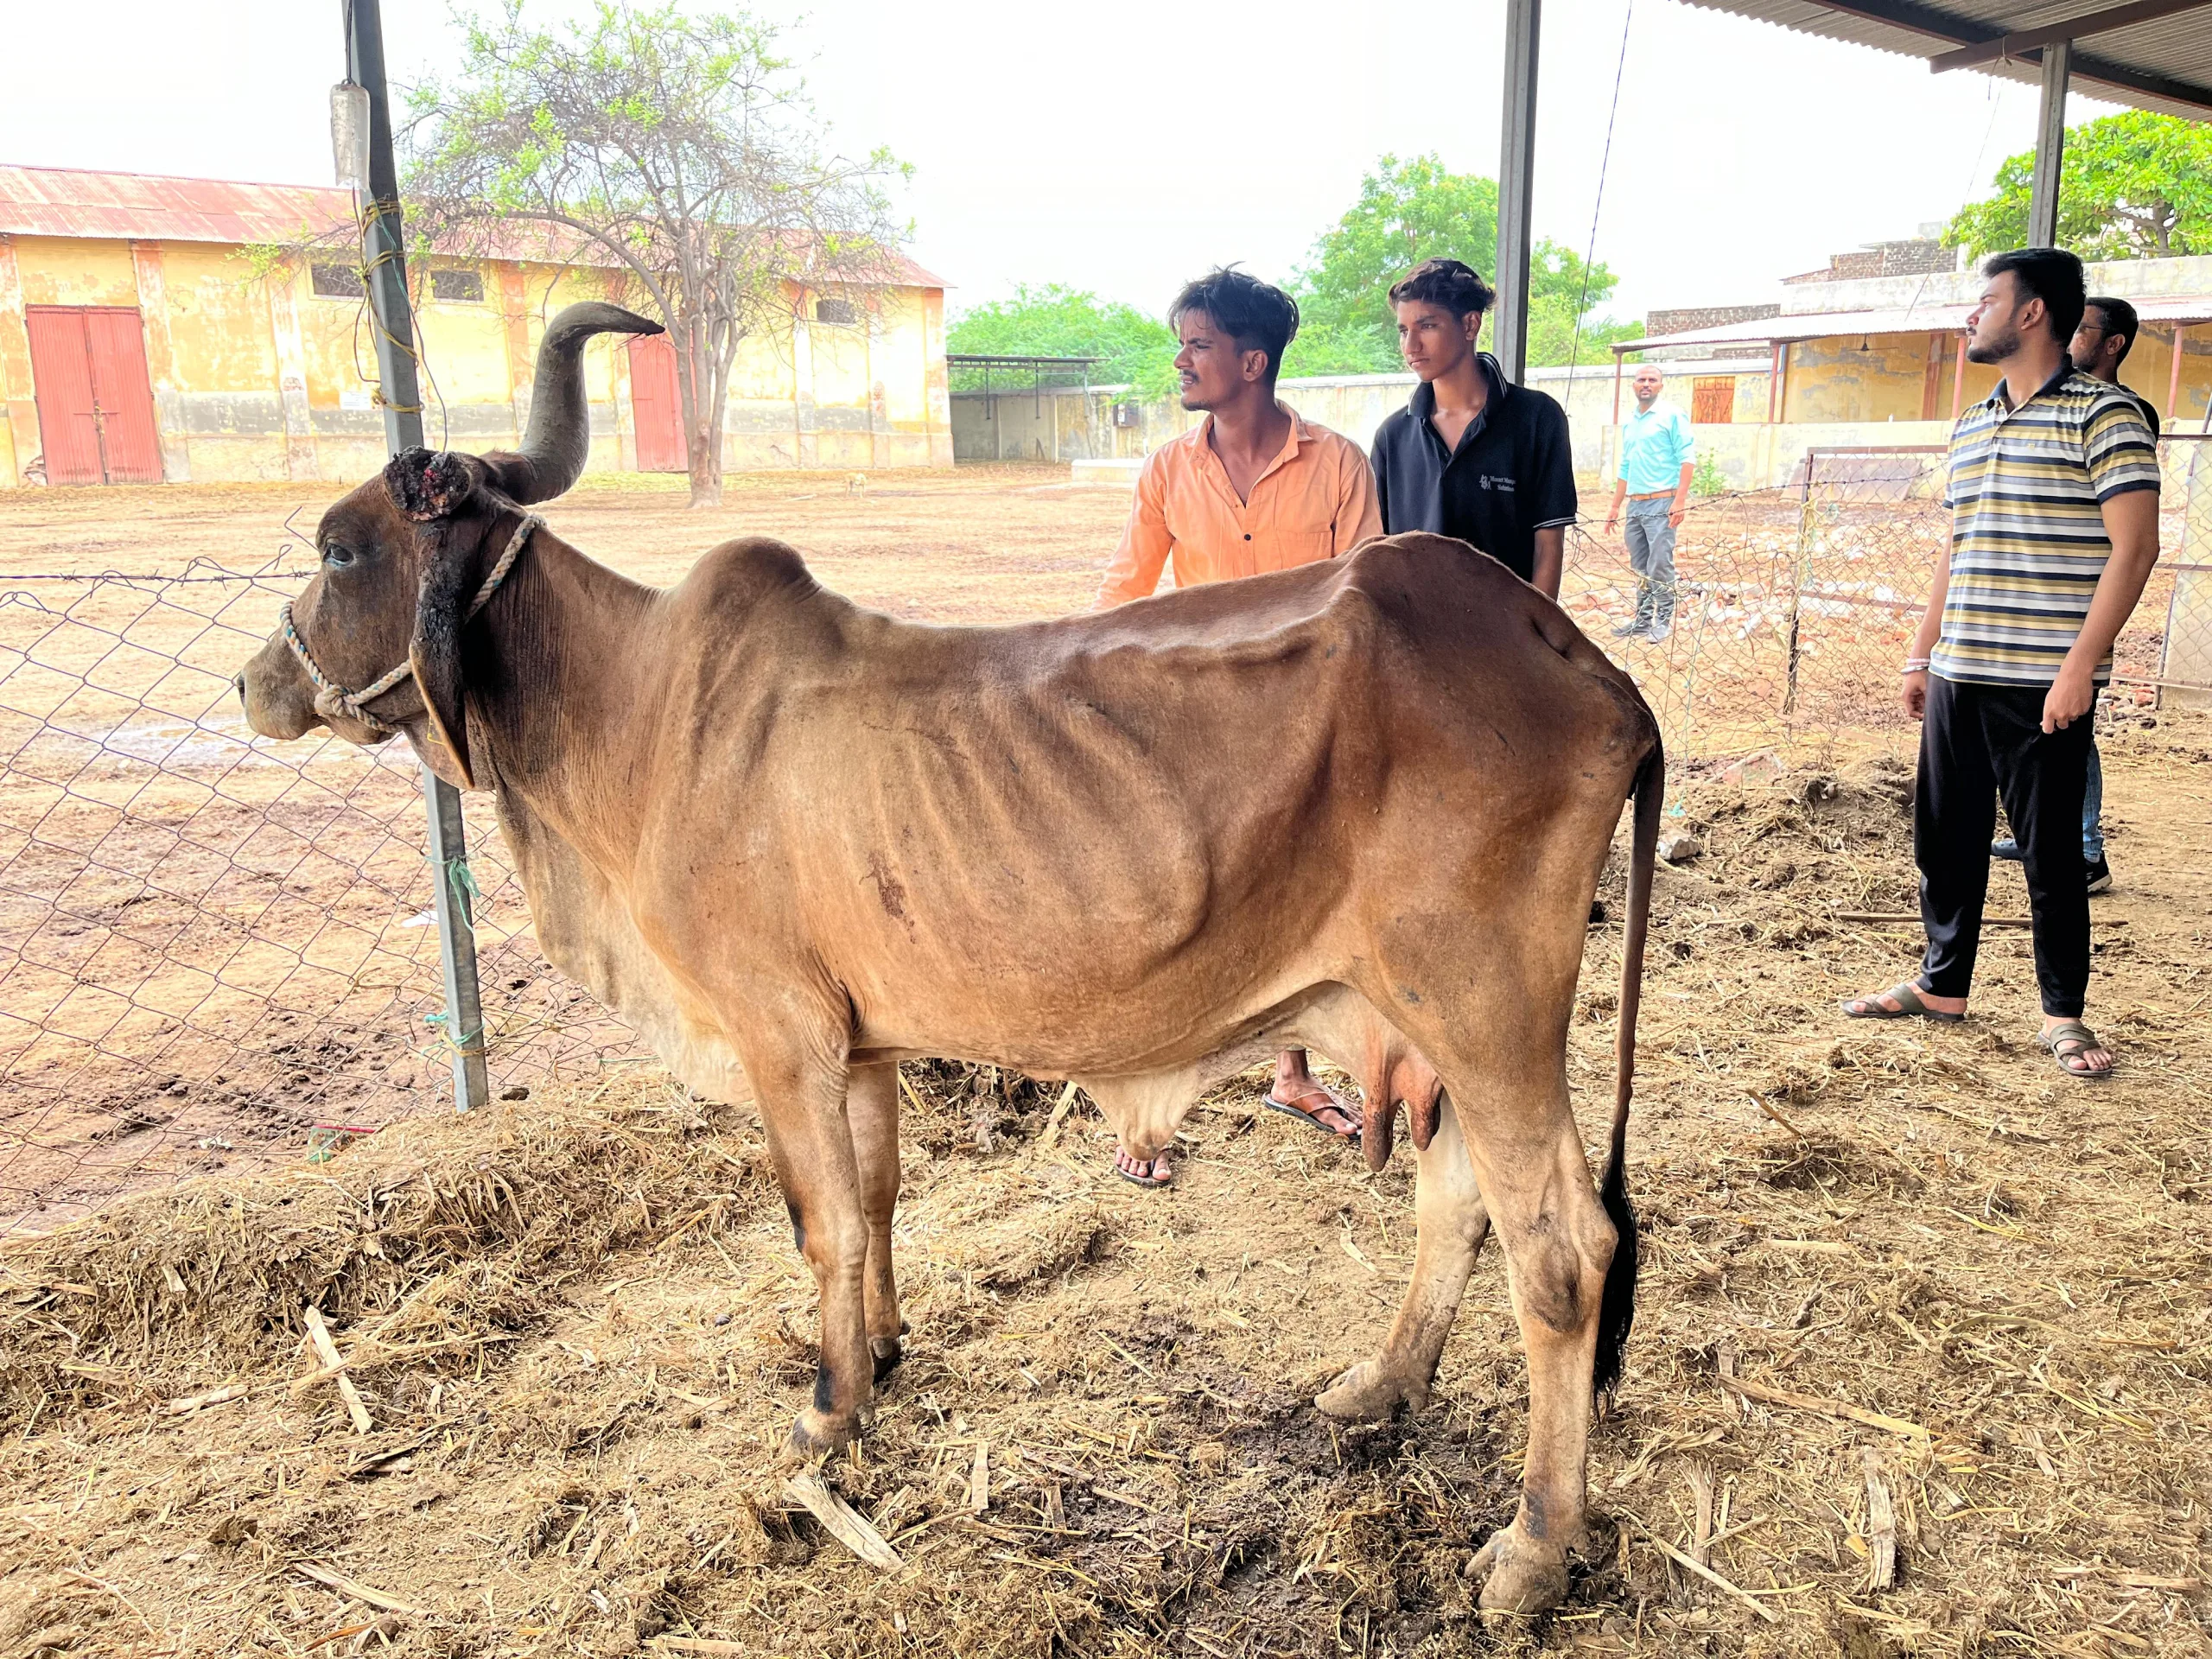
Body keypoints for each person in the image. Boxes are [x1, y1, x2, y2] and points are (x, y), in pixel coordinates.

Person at [1841, 250, 2161, 1084]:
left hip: (2041, 679)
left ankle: (2063, 1014)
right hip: (1959, 671)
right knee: (1945, 840)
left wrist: (2080, 668)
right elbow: (1960, 544)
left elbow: (2135, 549)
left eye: (1985, 301)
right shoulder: (1973, 421)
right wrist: (1923, 651)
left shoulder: (2105, 415)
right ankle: (1942, 987)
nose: (1970, 316)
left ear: (2030, 314)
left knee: (2051, 854)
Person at [1093, 266, 1382, 1185]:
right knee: (1177, 915)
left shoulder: (1337, 463)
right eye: (1181, 342)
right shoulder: (1168, 469)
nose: (1180, 360)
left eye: (1199, 344)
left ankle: (1292, 1076)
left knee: (1304, 903)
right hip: (1195, 724)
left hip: (1307, 722)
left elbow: (1366, 595)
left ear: (1251, 362)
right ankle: (1147, 1117)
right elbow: (1125, 590)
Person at [1990, 296, 2157, 894]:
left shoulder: (2125, 413)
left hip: (2076, 612)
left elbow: (2132, 538)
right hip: (2030, 617)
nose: (2071, 339)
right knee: (2042, 736)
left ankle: (2086, 851)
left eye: (2085, 331)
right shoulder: (2044, 407)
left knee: (2070, 733)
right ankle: (2045, 836)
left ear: (2113, 345)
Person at [1367, 257, 1577, 598]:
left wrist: (1534, 639)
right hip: (1418, 637)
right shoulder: (1393, 435)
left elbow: (1548, 548)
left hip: (1507, 635)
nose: (1411, 345)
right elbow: (1381, 551)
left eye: (1427, 326)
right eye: (1404, 330)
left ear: (1470, 325)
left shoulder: (1537, 418)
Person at [1602, 366, 1694, 643]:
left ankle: (1663, 620)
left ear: (1660, 386)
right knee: (1640, 566)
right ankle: (1643, 619)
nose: (1646, 384)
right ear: (1633, 385)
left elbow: (1687, 459)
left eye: (1652, 380)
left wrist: (1679, 501)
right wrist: (1615, 506)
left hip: (1662, 502)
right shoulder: (1632, 422)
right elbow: (1626, 466)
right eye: (1641, 380)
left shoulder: (1672, 416)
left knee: (1660, 565)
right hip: (1636, 505)